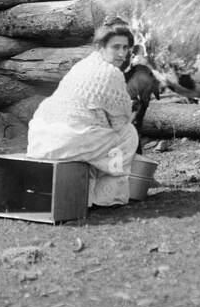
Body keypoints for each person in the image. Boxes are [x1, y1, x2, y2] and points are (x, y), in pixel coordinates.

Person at [26, 15, 141, 207]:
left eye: (125, 48)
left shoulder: (83, 64)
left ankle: (85, 190)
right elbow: (121, 121)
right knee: (128, 134)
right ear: (100, 47)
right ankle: (108, 196)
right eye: (116, 47)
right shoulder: (110, 73)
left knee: (98, 132)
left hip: (40, 138)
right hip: (65, 140)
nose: (122, 53)